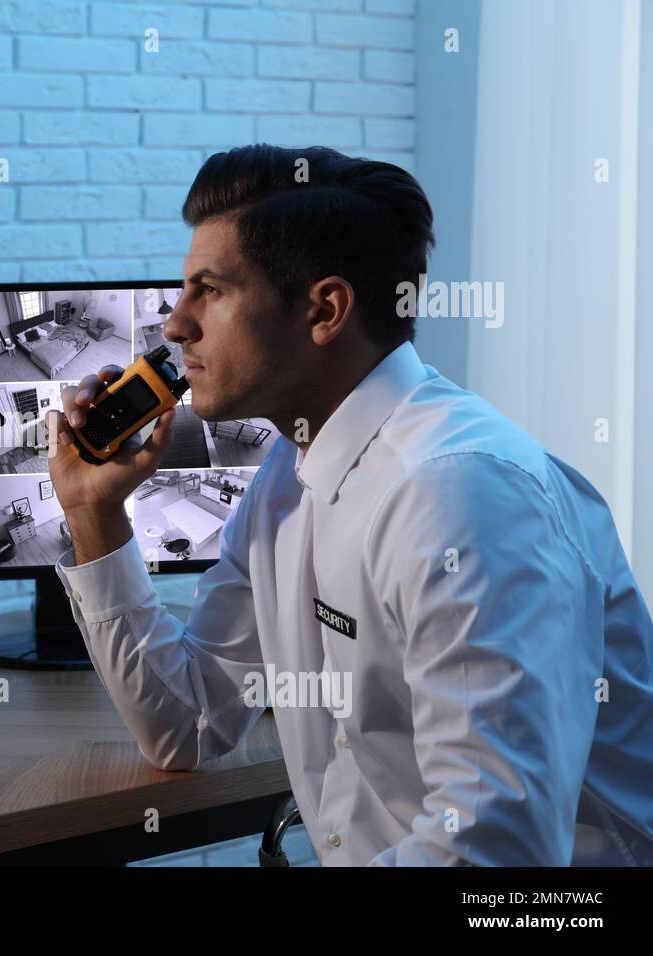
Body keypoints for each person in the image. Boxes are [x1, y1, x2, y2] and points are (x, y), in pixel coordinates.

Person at [44, 144, 653, 866]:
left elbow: (493, 851)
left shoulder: (460, 496)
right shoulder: (287, 472)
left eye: (209, 290)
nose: (175, 326)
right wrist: (94, 516)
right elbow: (189, 722)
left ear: (325, 310)